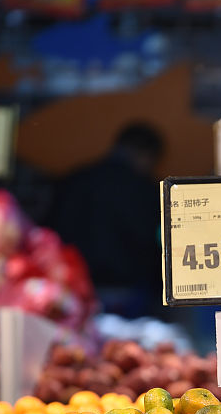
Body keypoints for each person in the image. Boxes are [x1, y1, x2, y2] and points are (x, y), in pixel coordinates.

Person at [48, 122, 165, 316]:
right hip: (127, 293)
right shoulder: (144, 189)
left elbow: (52, 233)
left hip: (74, 289)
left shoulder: (75, 179)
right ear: (146, 154)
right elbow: (155, 240)